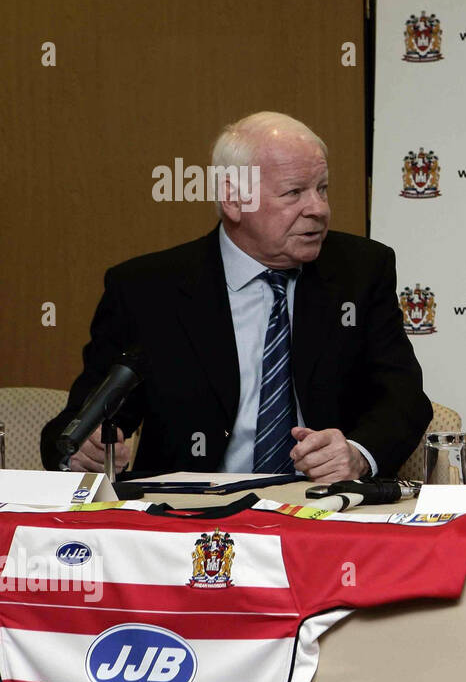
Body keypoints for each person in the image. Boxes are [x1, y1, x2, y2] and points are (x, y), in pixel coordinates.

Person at [41, 111, 432, 482]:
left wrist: (357, 453)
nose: (318, 209)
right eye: (294, 193)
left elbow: (404, 398)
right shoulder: (147, 290)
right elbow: (80, 420)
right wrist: (80, 451)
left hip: (320, 510)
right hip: (189, 519)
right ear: (234, 200)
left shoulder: (361, 271)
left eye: (322, 188)